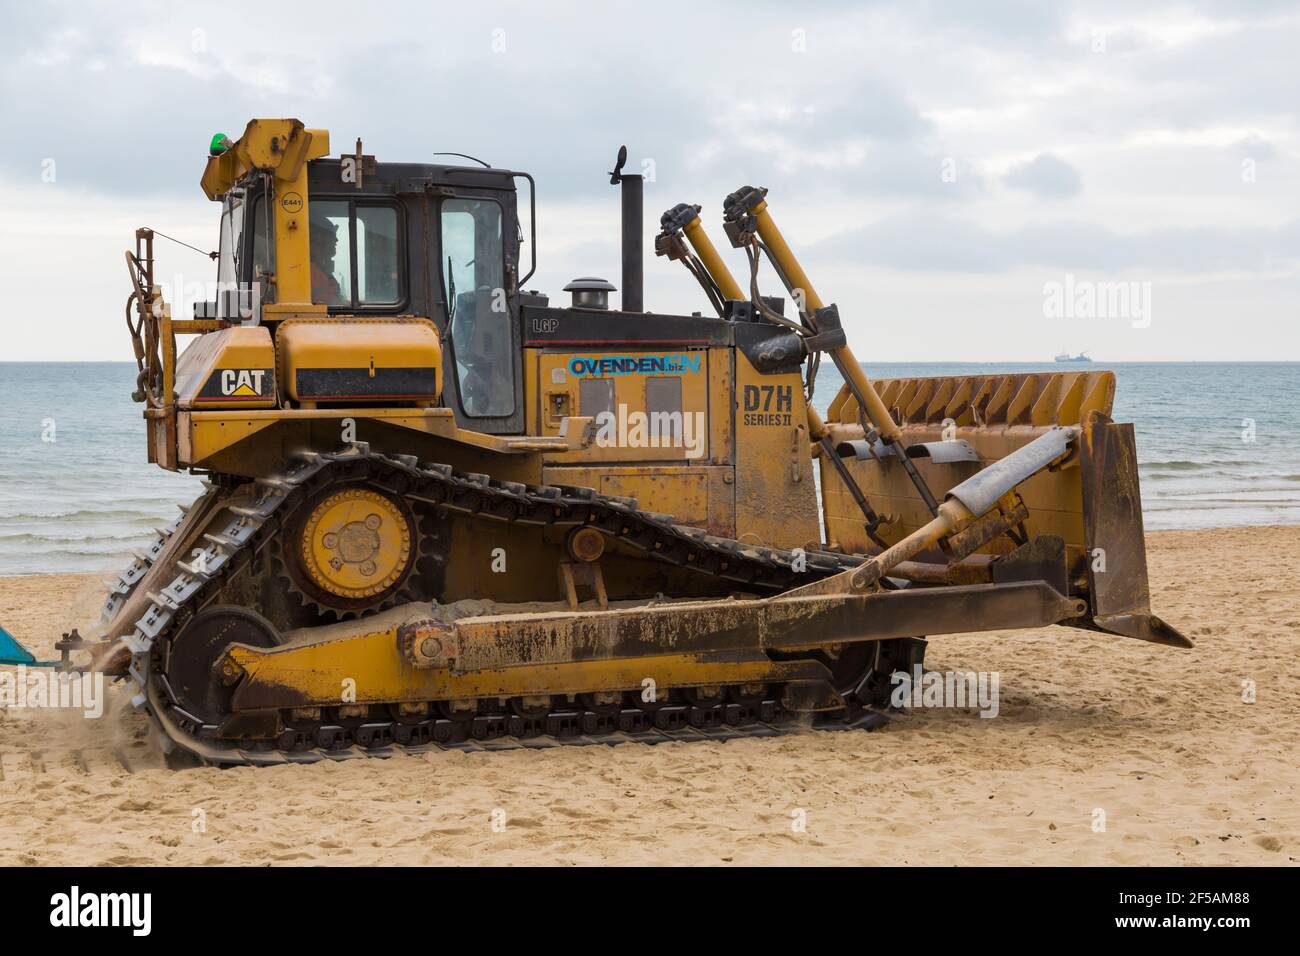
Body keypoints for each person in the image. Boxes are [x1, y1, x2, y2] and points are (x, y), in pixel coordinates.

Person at [310, 217, 346, 306]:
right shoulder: (310, 272)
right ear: (318, 238)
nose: (336, 240)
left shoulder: (320, 269)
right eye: (331, 235)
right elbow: (321, 302)